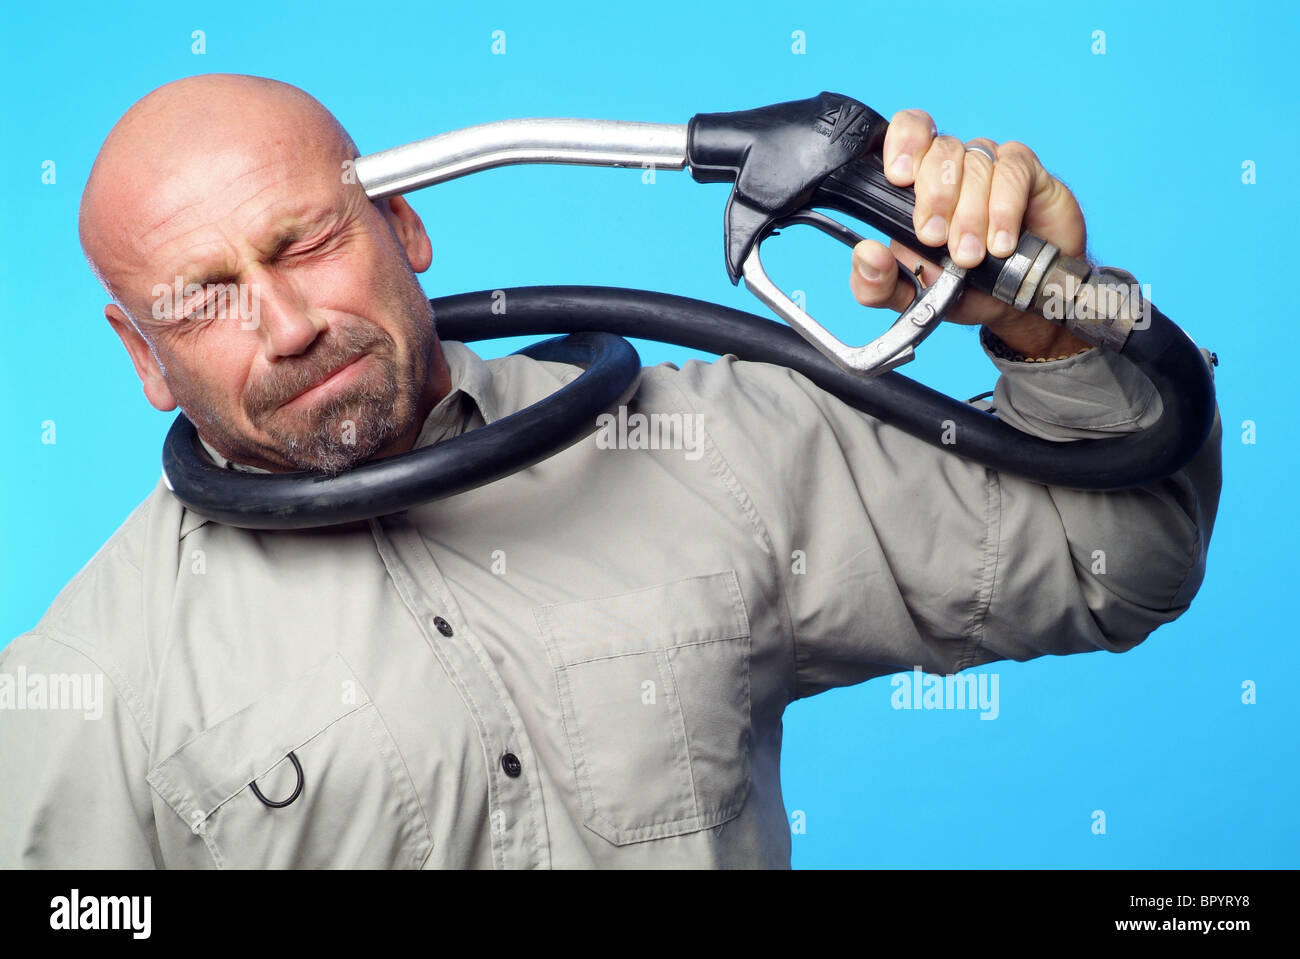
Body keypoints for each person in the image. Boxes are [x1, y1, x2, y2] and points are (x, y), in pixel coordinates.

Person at [0, 73, 1222, 869]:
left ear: (405, 227)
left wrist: (1054, 313)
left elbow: (1117, 564)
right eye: (203, 297)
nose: (284, 325)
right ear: (142, 355)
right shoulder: (80, 687)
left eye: (303, 241)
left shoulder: (703, 449)